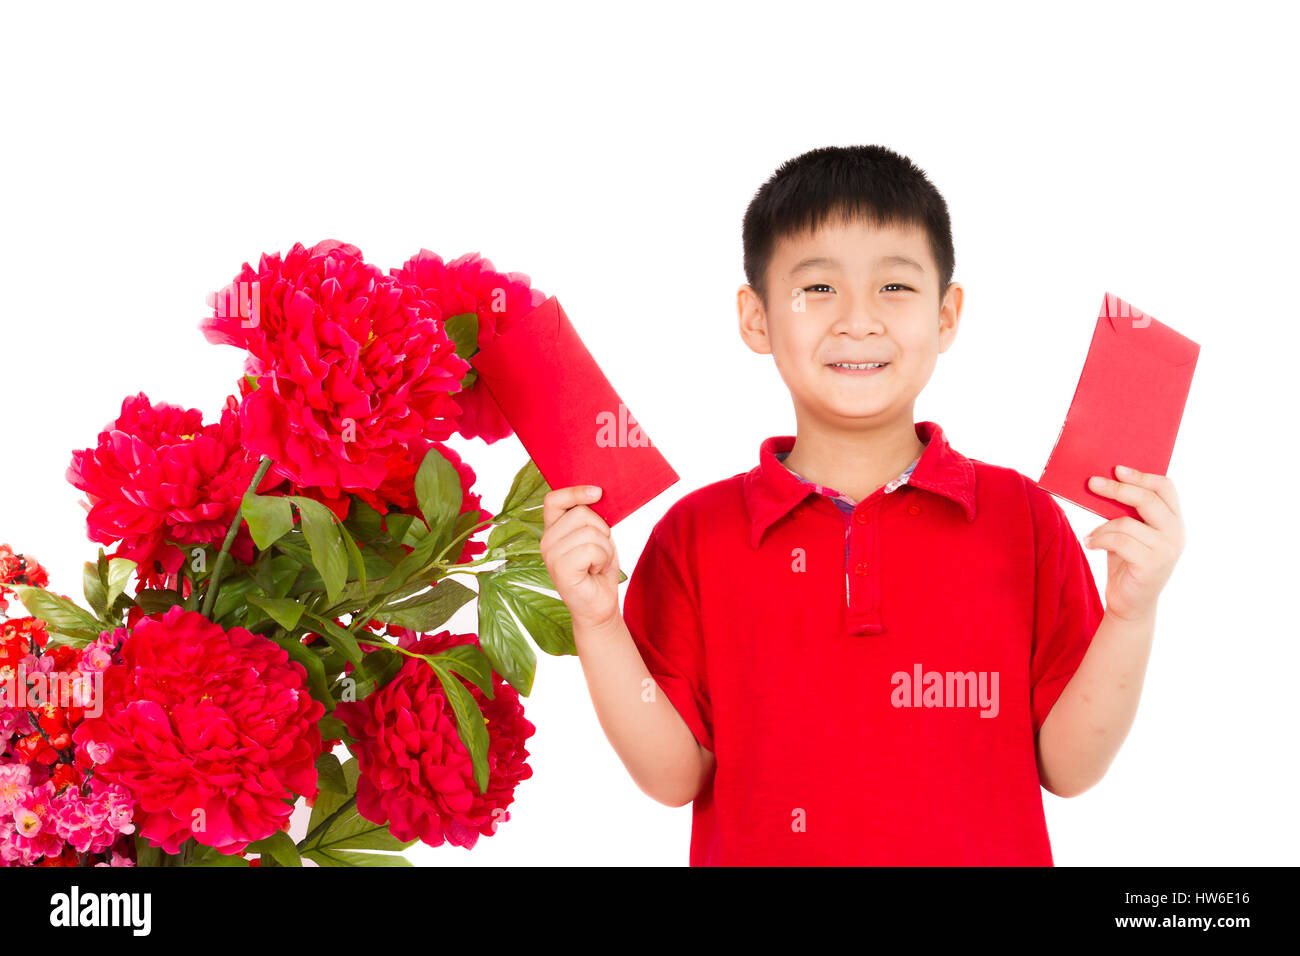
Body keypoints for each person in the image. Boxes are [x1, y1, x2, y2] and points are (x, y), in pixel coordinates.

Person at [539, 145, 1185, 865]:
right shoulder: (695, 532)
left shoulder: (1022, 518)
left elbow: (1070, 768)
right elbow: (672, 776)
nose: (857, 321)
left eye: (895, 289)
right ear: (755, 318)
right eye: (816, 288)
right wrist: (596, 625)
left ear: (947, 315)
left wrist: (1131, 615)